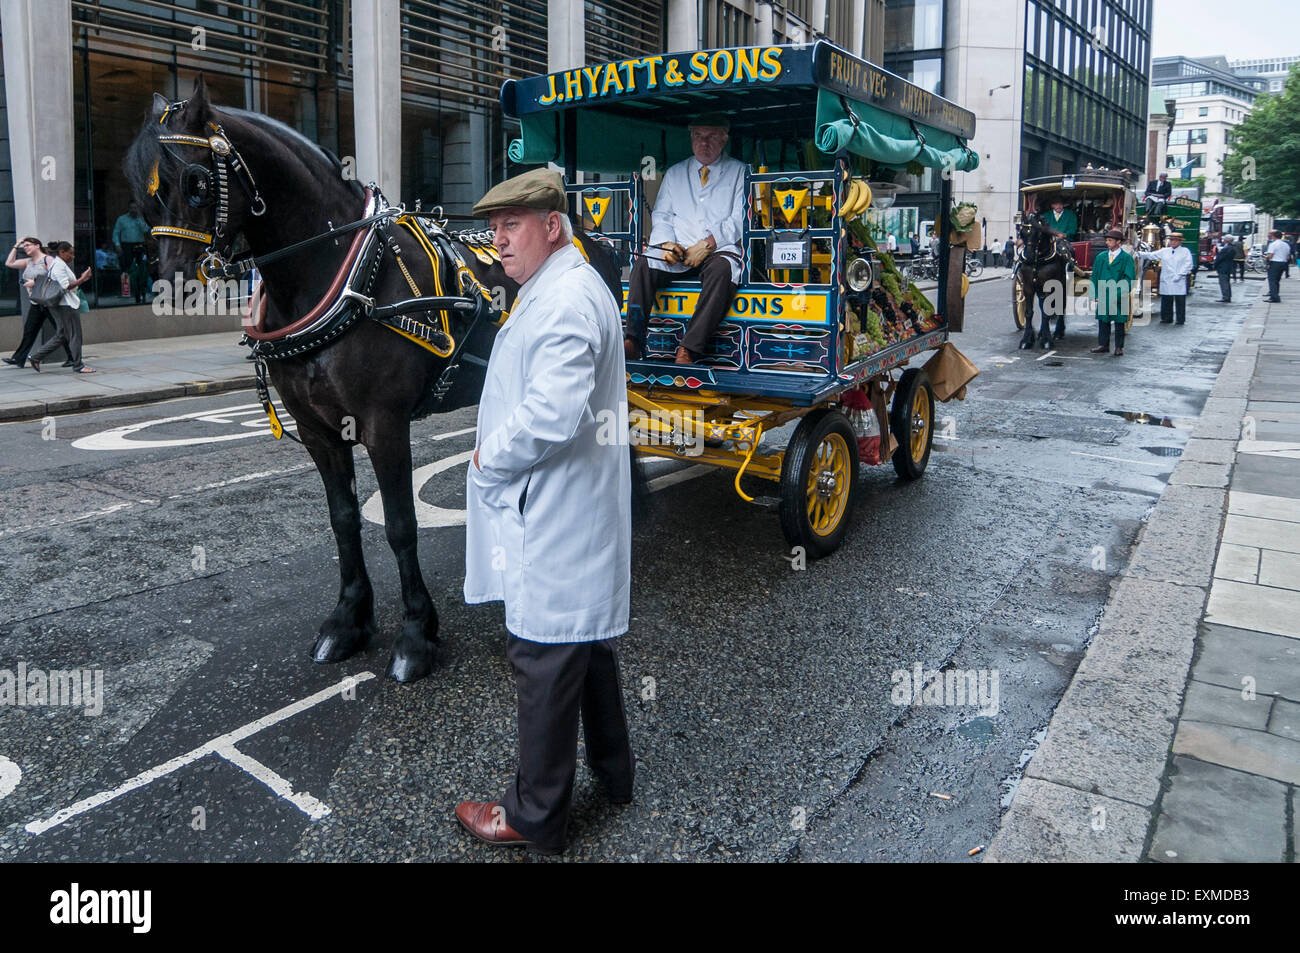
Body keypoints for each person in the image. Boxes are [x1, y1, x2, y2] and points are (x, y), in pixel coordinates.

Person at [456, 168, 634, 855]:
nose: (498, 241)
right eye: (494, 228)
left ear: (552, 226)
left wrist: (485, 461)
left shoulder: (562, 299)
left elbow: (551, 415)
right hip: (572, 510)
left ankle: (532, 815)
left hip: (557, 515)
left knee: (542, 656)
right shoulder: (559, 284)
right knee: (584, 644)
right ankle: (615, 776)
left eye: (512, 226)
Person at [624, 114, 745, 365]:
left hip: (718, 250)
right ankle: (632, 340)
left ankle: (689, 349)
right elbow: (662, 215)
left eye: (711, 136)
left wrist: (709, 244)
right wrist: (667, 244)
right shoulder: (675, 173)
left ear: (724, 139)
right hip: (679, 252)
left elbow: (739, 219)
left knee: (723, 270)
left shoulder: (739, 171)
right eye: (698, 136)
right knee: (644, 265)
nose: (704, 142)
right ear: (691, 138)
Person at [4, 238, 73, 368]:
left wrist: (34, 283)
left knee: (61, 331)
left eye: (28, 245)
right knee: (29, 331)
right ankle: (18, 359)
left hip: (50, 302)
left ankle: (73, 357)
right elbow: (9, 263)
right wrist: (16, 245)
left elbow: (56, 279)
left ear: (37, 246)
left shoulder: (48, 260)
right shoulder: (28, 262)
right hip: (36, 302)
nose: (25, 248)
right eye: (24, 246)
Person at [27, 241, 94, 373]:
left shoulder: (58, 264)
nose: (72, 256)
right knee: (75, 334)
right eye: (70, 253)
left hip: (60, 305)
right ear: (62, 252)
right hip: (65, 305)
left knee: (62, 335)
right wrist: (82, 278)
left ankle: (36, 357)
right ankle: (78, 365)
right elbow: (65, 286)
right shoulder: (59, 266)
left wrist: (82, 279)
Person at [1089, 229, 1135, 356]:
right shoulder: (1101, 257)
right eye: (1107, 240)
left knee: (1119, 321)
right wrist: (1094, 294)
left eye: (1110, 240)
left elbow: (1129, 278)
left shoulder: (1126, 258)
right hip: (1104, 291)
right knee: (1103, 321)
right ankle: (1103, 345)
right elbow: (1095, 276)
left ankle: (1119, 347)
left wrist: (1119, 293)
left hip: (1119, 294)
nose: (1107, 243)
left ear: (1118, 242)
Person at [1135, 231, 1194, 325]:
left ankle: (1180, 319)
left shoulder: (1185, 251)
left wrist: (1180, 274)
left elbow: (1188, 264)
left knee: (1180, 301)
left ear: (1180, 242)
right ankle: (1166, 318)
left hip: (1178, 279)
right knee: (1166, 299)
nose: (1173, 242)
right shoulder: (1164, 251)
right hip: (1166, 279)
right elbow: (1152, 255)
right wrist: (1138, 253)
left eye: (1175, 241)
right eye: (1171, 240)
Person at [112, 203, 150, 303]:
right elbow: (116, 232)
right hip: (126, 245)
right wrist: (117, 244)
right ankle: (128, 291)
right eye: (132, 208)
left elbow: (147, 230)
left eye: (135, 208)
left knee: (142, 269)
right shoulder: (122, 219)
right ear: (128, 208)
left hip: (139, 245)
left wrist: (140, 220)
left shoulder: (141, 219)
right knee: (127, 269)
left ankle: (141, 292)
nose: (134, 210)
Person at [1265, 230, 1292, 303]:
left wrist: (1266, 257)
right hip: (1283, 263)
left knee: (1272, 280)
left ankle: (1274, 297)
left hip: (1275, 263)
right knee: (1277, 280)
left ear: (1273, 236)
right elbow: (1288, 256)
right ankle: (1275, 295)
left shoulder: (1273, 244)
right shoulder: (1286, 244)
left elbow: (1270, 256)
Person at [1212, 237, 1237, 303]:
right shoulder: (1233, 248)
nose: (1223, 240)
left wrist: (1215, 265)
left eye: (1224, 239)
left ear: (1227, 241)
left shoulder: (1226, 248)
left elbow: (1219, 258)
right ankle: (1228, 296)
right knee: (1227, 282)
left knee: (1223, 282)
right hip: (1228, 267)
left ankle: (1225, 297)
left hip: (1223, 267)